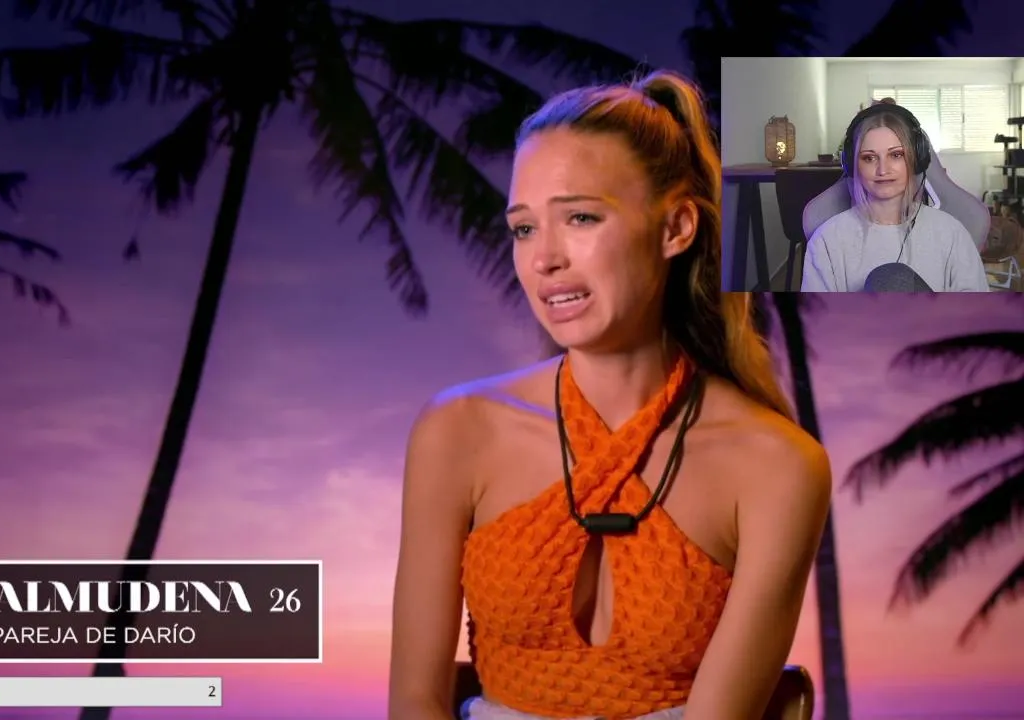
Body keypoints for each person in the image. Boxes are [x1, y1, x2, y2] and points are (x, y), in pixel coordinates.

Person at [388, 70, 831, 720]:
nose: (544, 259)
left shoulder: (778, 467)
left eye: (581, 218)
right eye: (523, 229)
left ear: (676, 228)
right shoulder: (458, 431)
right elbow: (415, 702)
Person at [801, 102, 989, 292]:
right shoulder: (826, 241)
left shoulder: (952, 234)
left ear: (916, 159)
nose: (883, 170)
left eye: (896, 155)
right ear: (852, 164)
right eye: (869, 158)